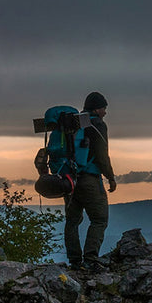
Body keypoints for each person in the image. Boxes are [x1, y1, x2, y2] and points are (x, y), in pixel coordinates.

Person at [64, 91, 116, 268]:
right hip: (89, 179)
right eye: (103, 108)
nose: (105, 112)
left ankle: (74, 260)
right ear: (96, 108)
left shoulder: (74, 122)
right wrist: (111, 177)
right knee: (100, 219)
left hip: (69, 180)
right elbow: (102, 155)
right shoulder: (97, 124)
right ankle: (91, 259)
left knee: (72, 221)